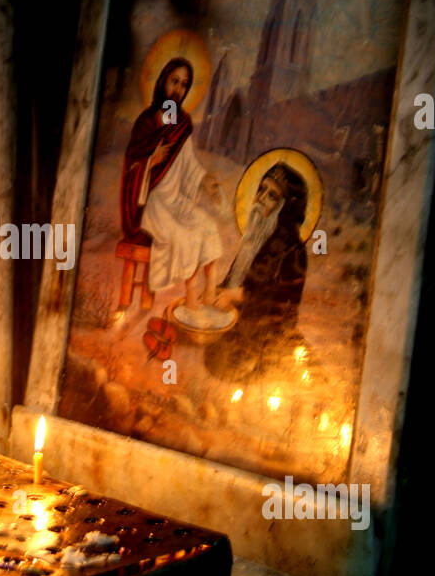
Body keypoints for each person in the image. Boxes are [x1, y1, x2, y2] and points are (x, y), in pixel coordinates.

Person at [120, 58, 224, 311]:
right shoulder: (145, 123)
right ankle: (191, 297)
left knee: (208, 226)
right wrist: (149, 162)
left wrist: (205, 182)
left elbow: (187, 163)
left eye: (184, 85)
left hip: (175, 200)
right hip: (151, 202)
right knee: (184, 235)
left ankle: (209, 291)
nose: (178, 89)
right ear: (163, 81)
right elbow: (130, 167)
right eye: (174, 81)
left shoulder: (183, 123)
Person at [206, 163, 310, 381]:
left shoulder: (292, 250)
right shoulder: (255, 236)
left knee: (242, 373)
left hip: (267, 335)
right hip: (241, 323)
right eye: (261, 190)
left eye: (272, 196)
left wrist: (235, 295)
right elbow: (238, 276)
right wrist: (219, 290)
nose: (261, 198)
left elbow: (274, 299)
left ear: (286, 208)